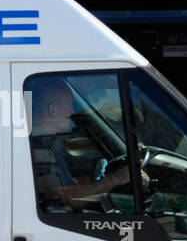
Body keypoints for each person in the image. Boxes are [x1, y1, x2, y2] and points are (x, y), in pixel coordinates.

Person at [28, 78, 136, 212]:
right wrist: (116, 179)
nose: (73, 111)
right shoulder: (37, 150)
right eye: (70, 105)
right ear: (53, 110)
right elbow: (65, 198)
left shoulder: (48, 143)